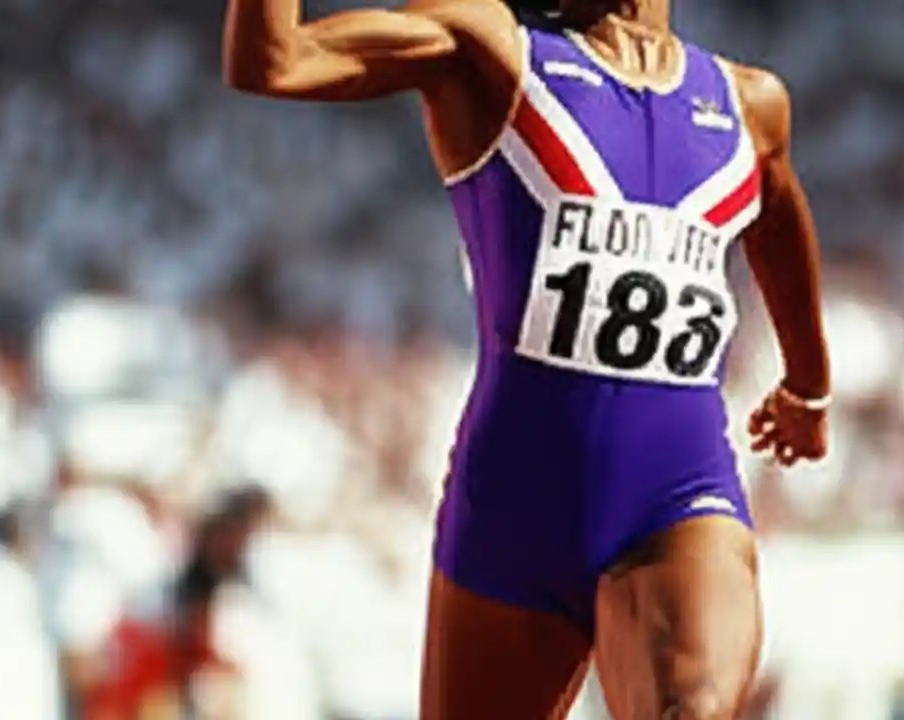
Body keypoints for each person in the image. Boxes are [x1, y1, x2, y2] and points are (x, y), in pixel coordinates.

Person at [222, 0, 831, 716]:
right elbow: (274, 61)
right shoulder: (496, 51)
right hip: (513, 516)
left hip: (677, 501)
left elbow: (780, 210)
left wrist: (809, 385)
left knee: (688, 708)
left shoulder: (748, 104)